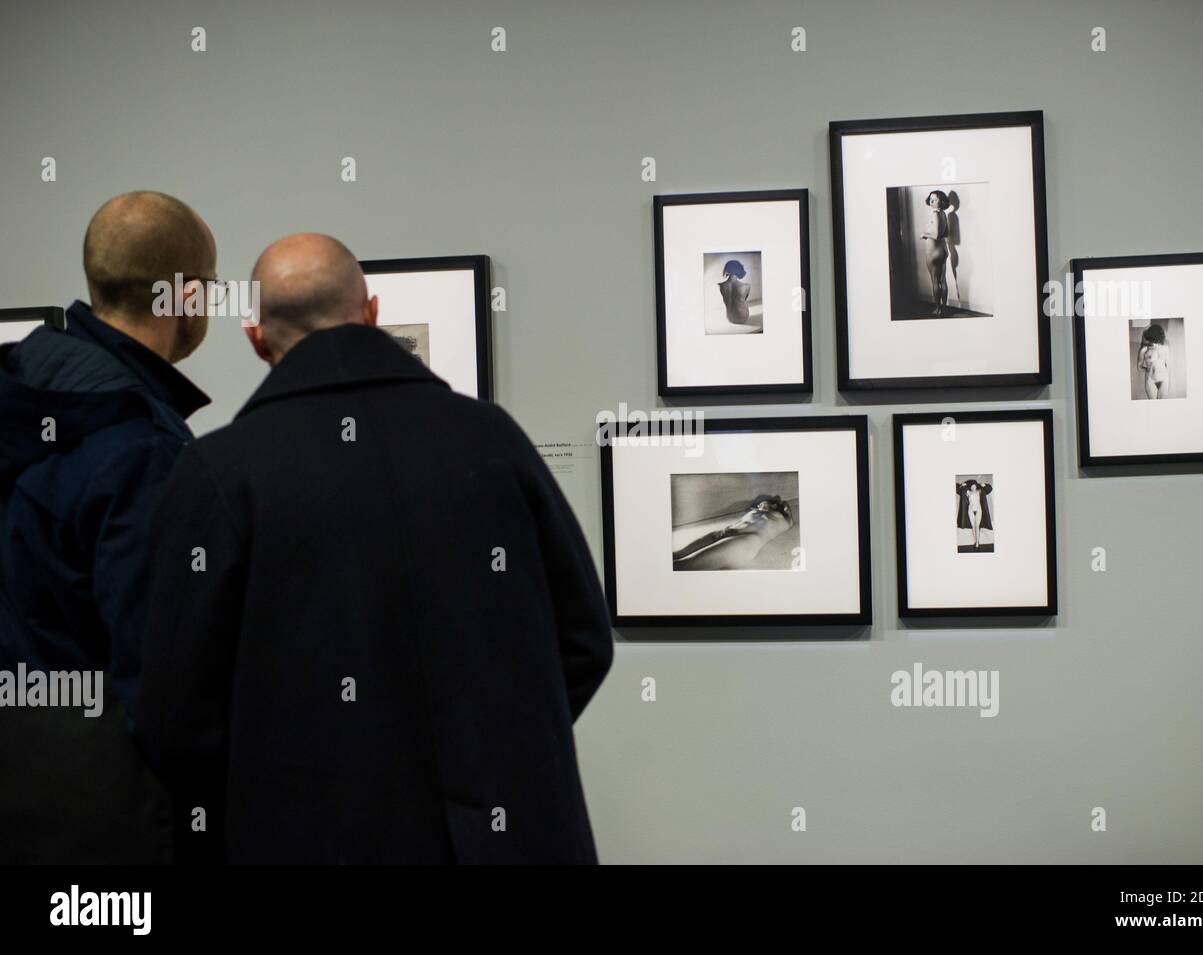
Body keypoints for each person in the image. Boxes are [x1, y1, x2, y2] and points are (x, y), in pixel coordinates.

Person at [137, 233, 613, 864]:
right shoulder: (491, 440)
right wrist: (500, 750)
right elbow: (584, 641)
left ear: (255, 337)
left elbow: (177, 720)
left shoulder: (218, 474)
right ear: (372, 311)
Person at [0, 191, 215, 863]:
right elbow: (160, 665)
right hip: (101, 808)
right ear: (185, 297)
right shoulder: (142, 444)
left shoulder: (19, 388)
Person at [673, 495, 794, 571]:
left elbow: (786, 509)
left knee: (682, 566)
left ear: (772, 505)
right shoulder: (756, 512)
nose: (759, 505)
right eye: (758, 504)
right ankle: (679, 554)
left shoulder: (778, 517)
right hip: (732, 536)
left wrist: (776, 503)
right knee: (678, 557)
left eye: (762, 502)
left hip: (745, 542)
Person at [919, 189, 951, 316]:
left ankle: (937, 309)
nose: (932, 202)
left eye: (935, 199)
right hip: (943, 250)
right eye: (931, 199)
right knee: (943, 280)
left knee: (935, 281)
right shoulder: (943, 214)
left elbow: (936, 235)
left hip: (933, 252)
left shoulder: (935, 214)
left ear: (941, 201)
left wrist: (924, 234)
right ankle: (944, 308)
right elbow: (946, 233)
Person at [956, 479, 993, 551]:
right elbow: (958, 490)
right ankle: (976, 541)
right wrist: (961, 485)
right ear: (970, 487)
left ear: (976, 486)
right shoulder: (968, 492)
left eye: (974, 486)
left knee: (977, 526)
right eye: (972, 486)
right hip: (970, 511)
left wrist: (984, 485)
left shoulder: (979, 491)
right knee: (973, 527)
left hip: (979, 510)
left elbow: (989, 489)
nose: (973, 487)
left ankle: (977, 543)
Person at [1136, 324, 1170, 399]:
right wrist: (1148, 370)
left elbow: (1167, 365)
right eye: (1152, 340)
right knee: (1153, 405)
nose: (1154, 343)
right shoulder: (1144, 350)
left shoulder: (1165, 348)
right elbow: (1139, 367)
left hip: (1164, 379)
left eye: (1156, 340)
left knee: (1163, 405)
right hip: (1150, 380)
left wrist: (1164, 373)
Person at [717, 258, 751, 325]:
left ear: (727, 269)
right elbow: (744, 299)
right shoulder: (746, 286)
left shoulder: (720, 286)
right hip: (743, 318)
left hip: (729, 318)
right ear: (739, 269)